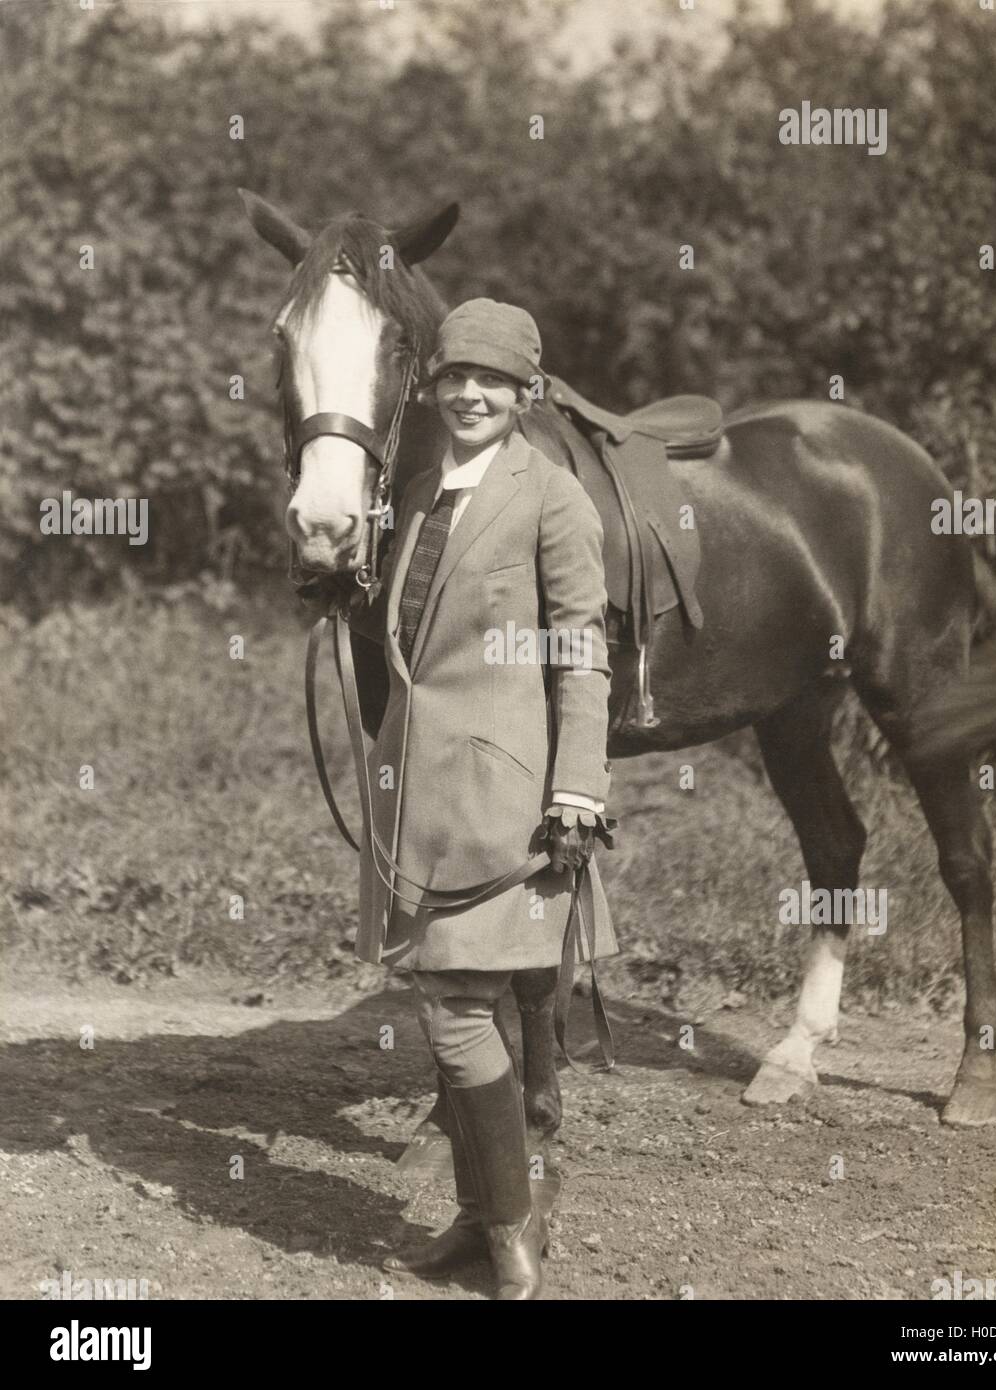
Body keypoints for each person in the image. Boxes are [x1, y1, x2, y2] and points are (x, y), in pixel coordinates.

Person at [356, 298, 616, 1300]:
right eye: (456, 375)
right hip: (414, 795)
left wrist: (576, 788)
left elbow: (581, 656)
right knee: (440, 1002)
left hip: (508, 799)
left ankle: (512, 1231)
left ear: (526, 394)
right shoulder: (418, 491)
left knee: (462, 1007)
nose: (470, 392)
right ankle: (478, 1216)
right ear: (431, 385)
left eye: (493, 380)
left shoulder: (550, 498)